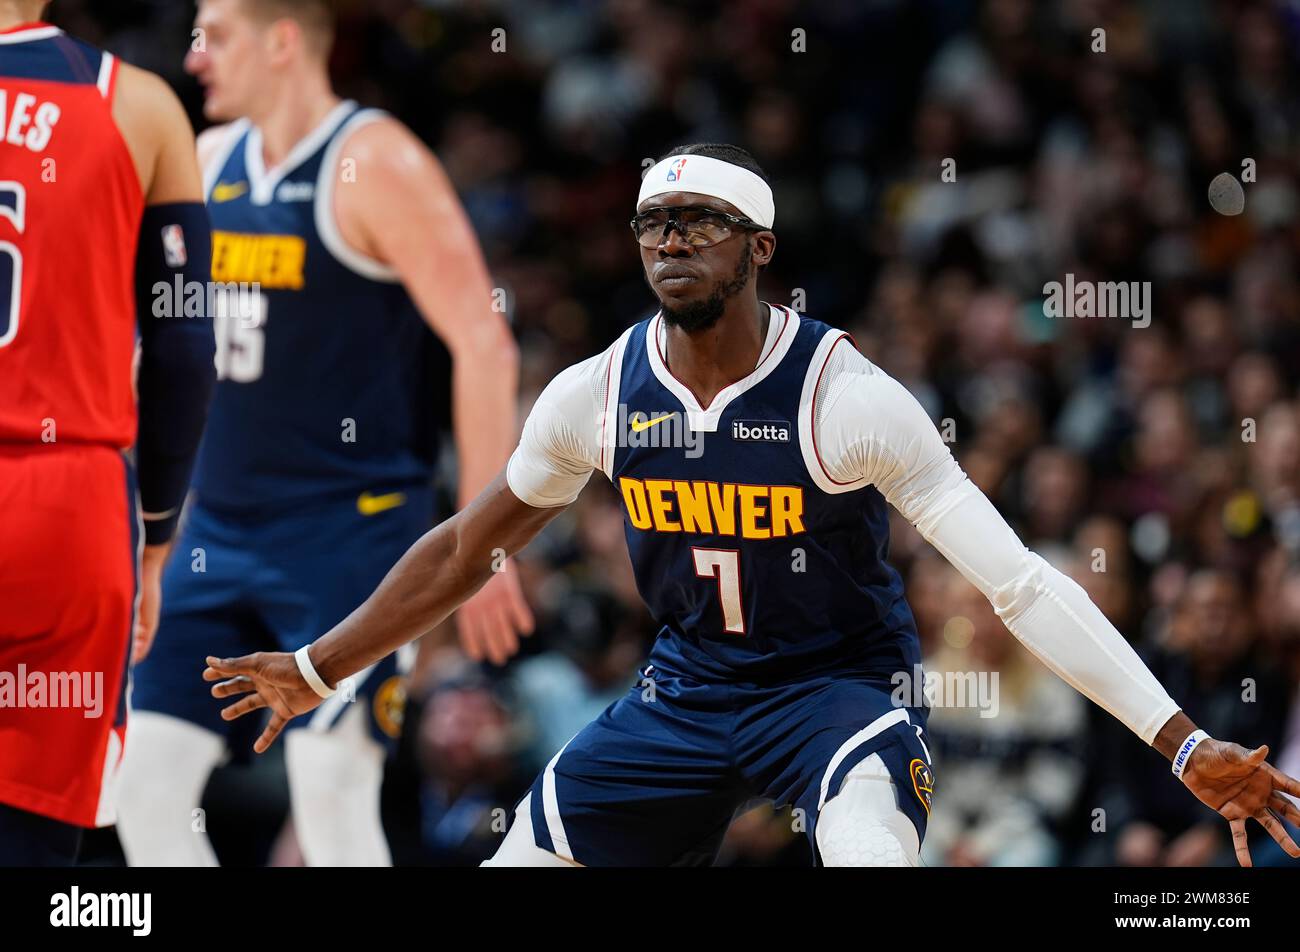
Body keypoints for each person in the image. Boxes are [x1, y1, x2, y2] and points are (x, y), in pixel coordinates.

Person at [205, 143, 1300, 866]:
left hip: (834, 689)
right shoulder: (596, 392)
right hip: (681, 693)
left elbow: (1015, 582)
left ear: (759, 247)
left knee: (870, 850)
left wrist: (1180, 737)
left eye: (699, 221)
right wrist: (315, 666)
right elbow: (462, 549)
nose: (670, 240)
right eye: (653, 224)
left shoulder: (849, 401)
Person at [118, 0, 530, 867]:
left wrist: (486, 540)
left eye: (215, 37)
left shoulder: (374, 161)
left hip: (350, 535)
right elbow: (157, 343)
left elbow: (482, 342)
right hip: (215, 532)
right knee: (143, 795)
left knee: (332, 796)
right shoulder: (204, 159)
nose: (195, 61)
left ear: (282, 40)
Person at [0, 1, 216, 864]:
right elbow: (184, 342)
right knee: (35, 843)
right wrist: (156, 539)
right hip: (70, 504)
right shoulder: (139, 103)